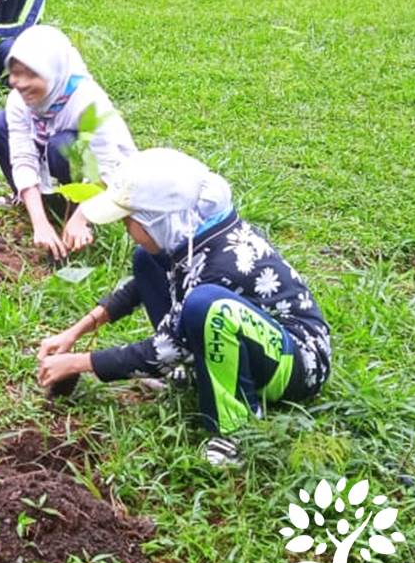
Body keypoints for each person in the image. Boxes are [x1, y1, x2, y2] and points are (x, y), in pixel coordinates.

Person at [35, 147, 331, 467]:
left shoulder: (221, 263)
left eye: (129, 220)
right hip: (255, 338)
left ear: (157, 219)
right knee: (148, 260)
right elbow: (138, 288)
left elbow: (165, 349)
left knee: (208, 309)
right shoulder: (196, 234)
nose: (127, 229)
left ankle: (234, 432)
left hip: (296, 362)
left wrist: (77, 363)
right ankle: (195, 373)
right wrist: (75, 331)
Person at [0, 26, 137, 263]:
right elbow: (23, 157)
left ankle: (75, 217)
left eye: (31, 75)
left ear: (52, 73)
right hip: (47, 159)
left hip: (99, 177)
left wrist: (82, 216)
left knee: (61, 145)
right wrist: (40, 223)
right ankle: (35, 203)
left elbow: (109, 167)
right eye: (15, 73)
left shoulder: (87, 102)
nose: (20, 83)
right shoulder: (18, 100)